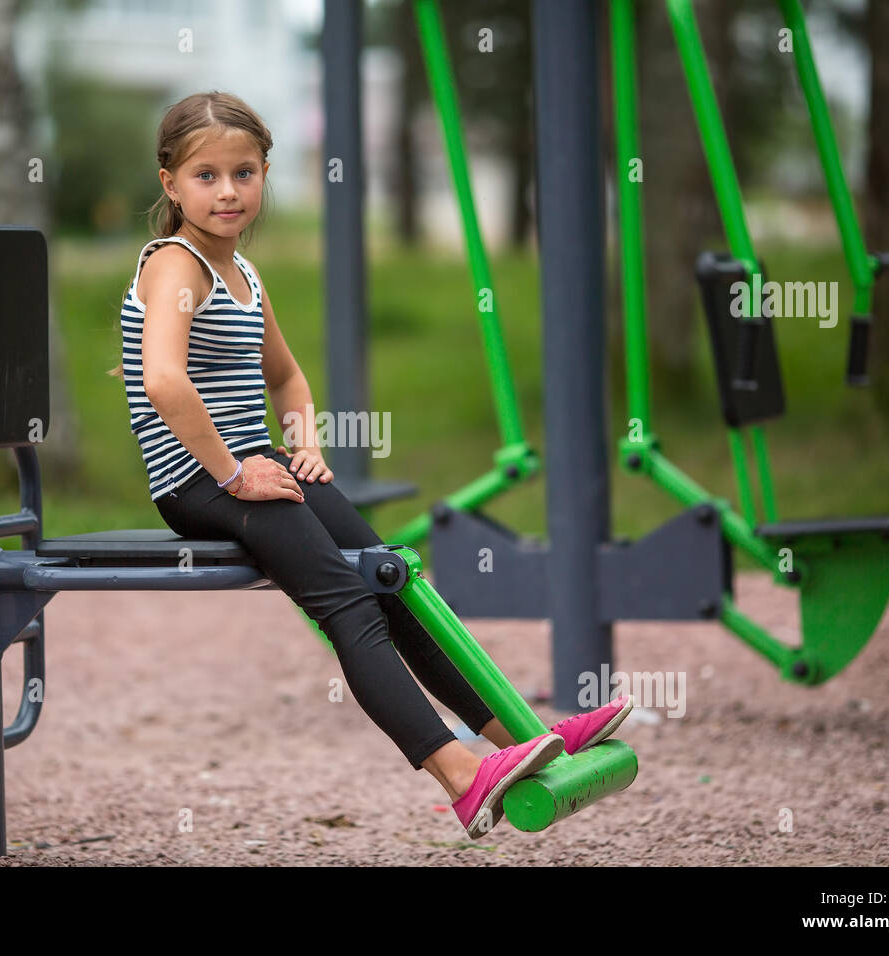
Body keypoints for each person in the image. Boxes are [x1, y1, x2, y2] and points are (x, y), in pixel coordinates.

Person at [107, 90, 632, 839]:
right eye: (206, 176)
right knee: (347, 602)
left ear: (264, 176)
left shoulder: (243, 276)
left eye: (245, 173)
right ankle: (459, 776)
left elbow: (287, 377)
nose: (228, 191)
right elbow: (163, 380)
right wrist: (233, 475)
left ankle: (516, 741)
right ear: (169, 183)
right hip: (197, 480)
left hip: (251, 464)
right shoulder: (174, 267)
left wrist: (305, 442)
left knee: (392, 577)